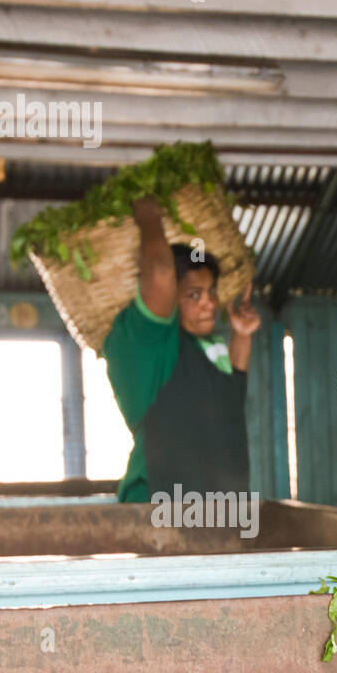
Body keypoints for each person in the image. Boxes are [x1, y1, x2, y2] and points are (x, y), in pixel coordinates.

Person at [106, 195, 260, 503]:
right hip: (156, 510)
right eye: (194, 294)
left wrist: (241, 337)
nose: (210, 303)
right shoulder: (147, 343)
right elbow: (160, 273)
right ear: (168, 298)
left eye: (212, 291)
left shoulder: (209, 347)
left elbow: (231, 394)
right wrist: (149, 217)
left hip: (218, 515)